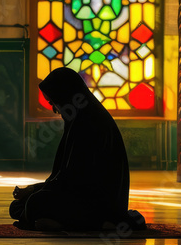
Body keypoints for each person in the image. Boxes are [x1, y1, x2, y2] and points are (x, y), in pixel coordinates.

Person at [10, 67, 145, 231]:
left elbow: (75, 180)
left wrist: (34, 190)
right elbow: (67, 177)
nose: (54, 109)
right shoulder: (80, 117)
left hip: (97, 203)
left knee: (33, 203)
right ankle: (63, 221)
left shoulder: (89, 123)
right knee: (20, 205)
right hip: (81, 195)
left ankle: (85, 223)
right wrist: (33, 190)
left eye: (54, 103)